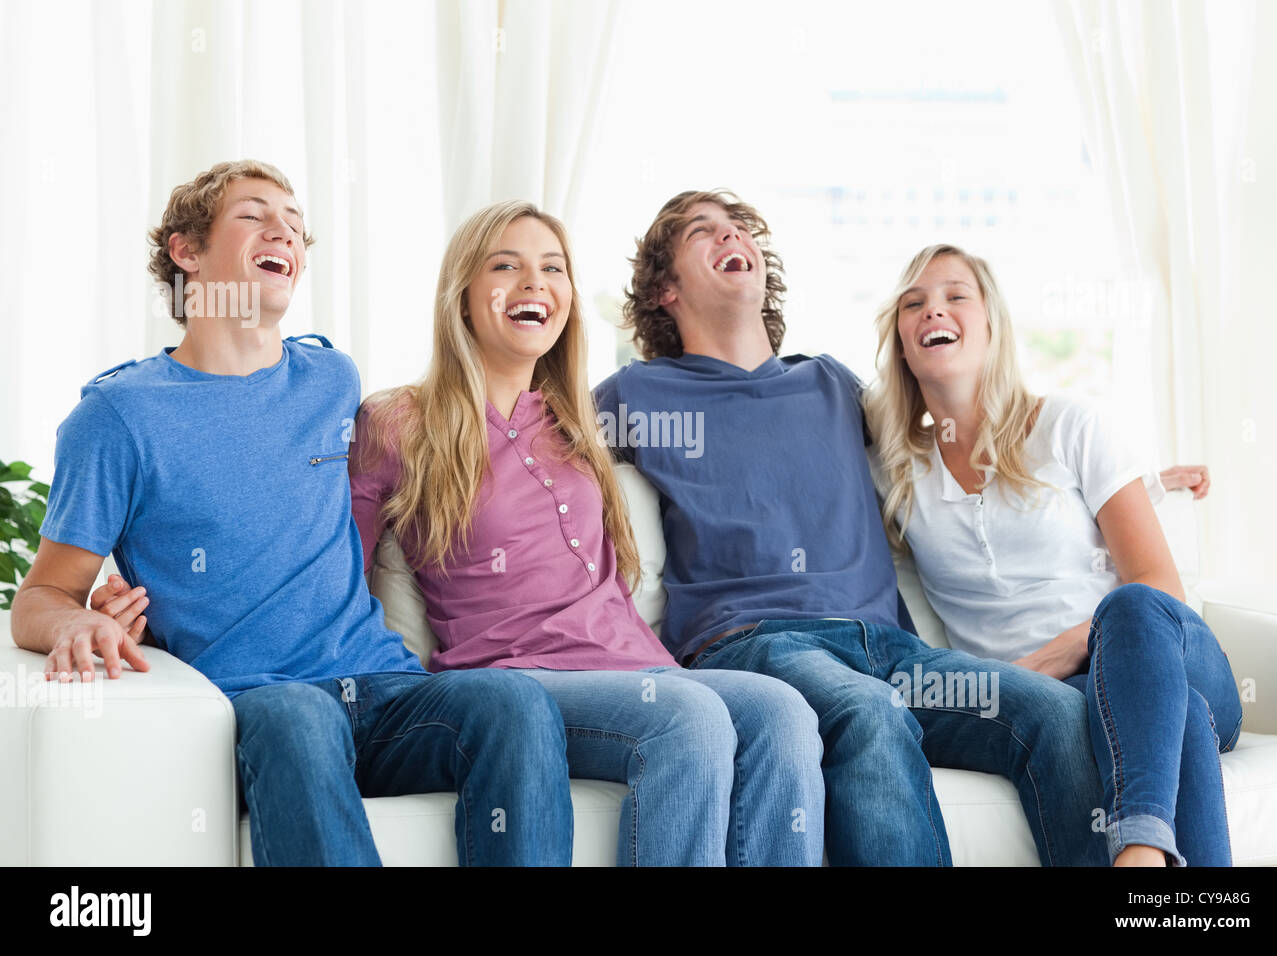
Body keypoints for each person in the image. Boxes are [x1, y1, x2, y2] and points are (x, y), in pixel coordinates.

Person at [12, 160, 573, 867]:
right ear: (186, 252)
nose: (286, 231)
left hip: (385, 688)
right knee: (300, 716)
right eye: (255, 215)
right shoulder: (116, 417)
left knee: (513, 704)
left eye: (297, 225)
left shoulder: (332, 380)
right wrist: (79, 616)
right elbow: (39, 596)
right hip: (260, 703)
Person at [596, 189, 1112, 866]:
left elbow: (951, 441)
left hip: (893, 651)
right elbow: (527, 459)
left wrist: (1142, 482)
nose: (732, 238)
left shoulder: (830, 384)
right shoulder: (637, 394)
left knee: (1052, 714)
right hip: (757, 647)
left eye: (740, 228)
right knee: (871, 715)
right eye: (704, 232)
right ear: (665, 289)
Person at [348, 200, 825, 866]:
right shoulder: (397, 421)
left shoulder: (581, 420)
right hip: (521, 679)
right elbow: (332, 566)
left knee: (783, 713)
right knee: (688, 721)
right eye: (505, 265)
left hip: (641, 667)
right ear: (461, 294)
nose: (534, 283)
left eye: (552, 268)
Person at [865, 243, 1241, 866]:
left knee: (1132, 606)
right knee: (1181, 720)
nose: (934, 310)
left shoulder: (1070, 426)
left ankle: (1141, 852)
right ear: (902, 343)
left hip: (1158, 657)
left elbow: (1161, 586)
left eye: (956, 295)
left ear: (992, 325)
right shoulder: (900, 473)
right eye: (914, 304)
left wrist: (1057, 652)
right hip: (1108, 703)